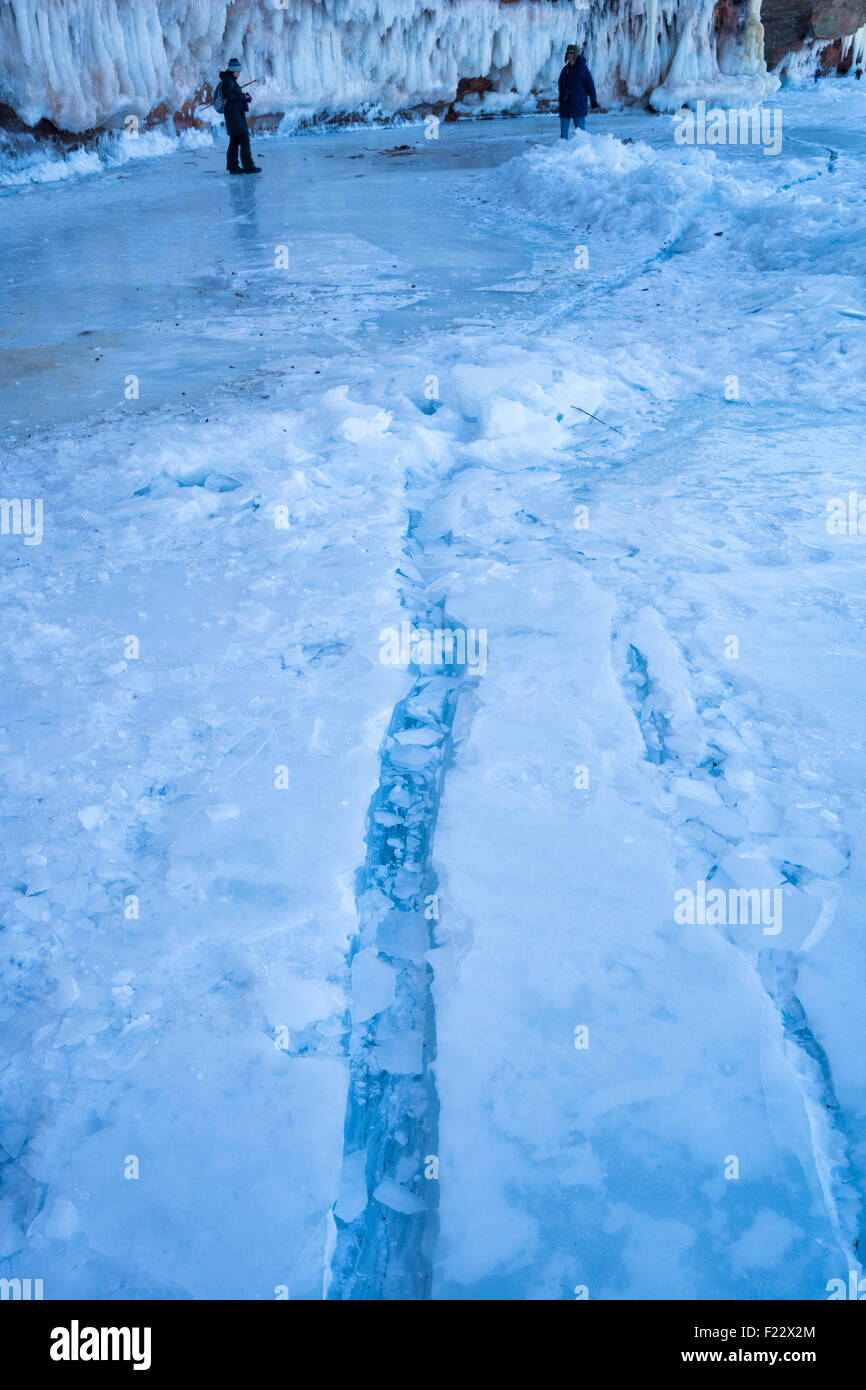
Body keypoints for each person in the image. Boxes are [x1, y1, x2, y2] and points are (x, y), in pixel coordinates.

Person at [219, 57, 261, 175]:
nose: (239, 73)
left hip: (235, 115)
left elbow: (233, 95)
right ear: (233, 70)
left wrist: (242, 95)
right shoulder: (228, 80)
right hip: (234, 116)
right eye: (238, 71)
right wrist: (243, 97)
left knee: (235, 142)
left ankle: (234, 168)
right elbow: (229, 96)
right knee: (244, 140)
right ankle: (248, 167)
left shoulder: (230, 79)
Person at [558, 44, 600, 139]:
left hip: (578, 104)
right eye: (568, 53)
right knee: (563, 134)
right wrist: (563, 94)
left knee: (580, 132)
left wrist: (593, 99)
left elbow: (590, 84)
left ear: (576, 54)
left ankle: (582, 150)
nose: (569, 55)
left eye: (572, 53)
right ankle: (562, 150)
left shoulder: (582, 69)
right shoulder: (565, 70)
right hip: (565, 104)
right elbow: (560, 85)